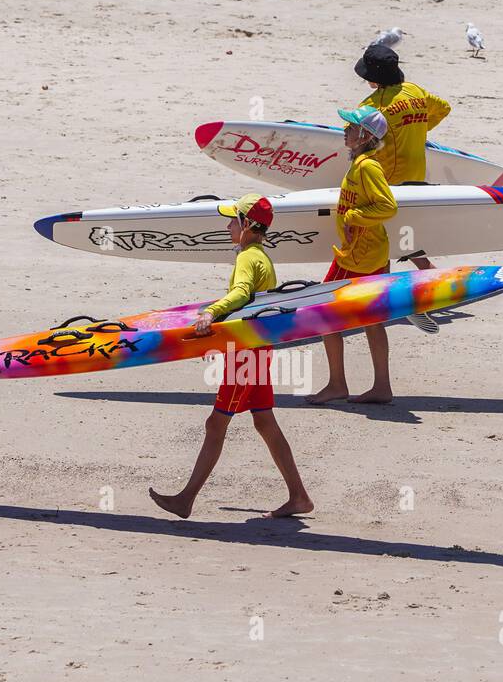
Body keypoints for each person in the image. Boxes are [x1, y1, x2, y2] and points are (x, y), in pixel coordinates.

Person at [150, 194, 314, 519]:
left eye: (232, 220)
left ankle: (185, 499)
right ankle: (299, 496)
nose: (227, 226)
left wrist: (210, 314)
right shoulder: (260, 257)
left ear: (249, 226)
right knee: (264, 421)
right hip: (256, 348)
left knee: (216, 423)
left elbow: (239, 295)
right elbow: (247, 304)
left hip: (246, 354)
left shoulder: (247, 258)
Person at [306, 107, 398, 406]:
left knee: (324, 314)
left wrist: (354, 216)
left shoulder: (367, 167)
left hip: (359, 256)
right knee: (373, 320)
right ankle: (381, 387)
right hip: (366, 252)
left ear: (366, 136)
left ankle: (337, 384)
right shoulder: (360, 163)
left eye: (351, 126)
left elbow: (387, 207)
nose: (345, 130)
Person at [354, 43, 451, 273]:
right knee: (401, 231)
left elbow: (360, 143)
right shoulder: (415, 91)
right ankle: (430, 274)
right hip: (417, 174)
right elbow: (444, 108)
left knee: (381, 234)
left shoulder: (371, 106)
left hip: (388, 179)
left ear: (374, 77)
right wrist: (418, 131)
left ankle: (383, 286)